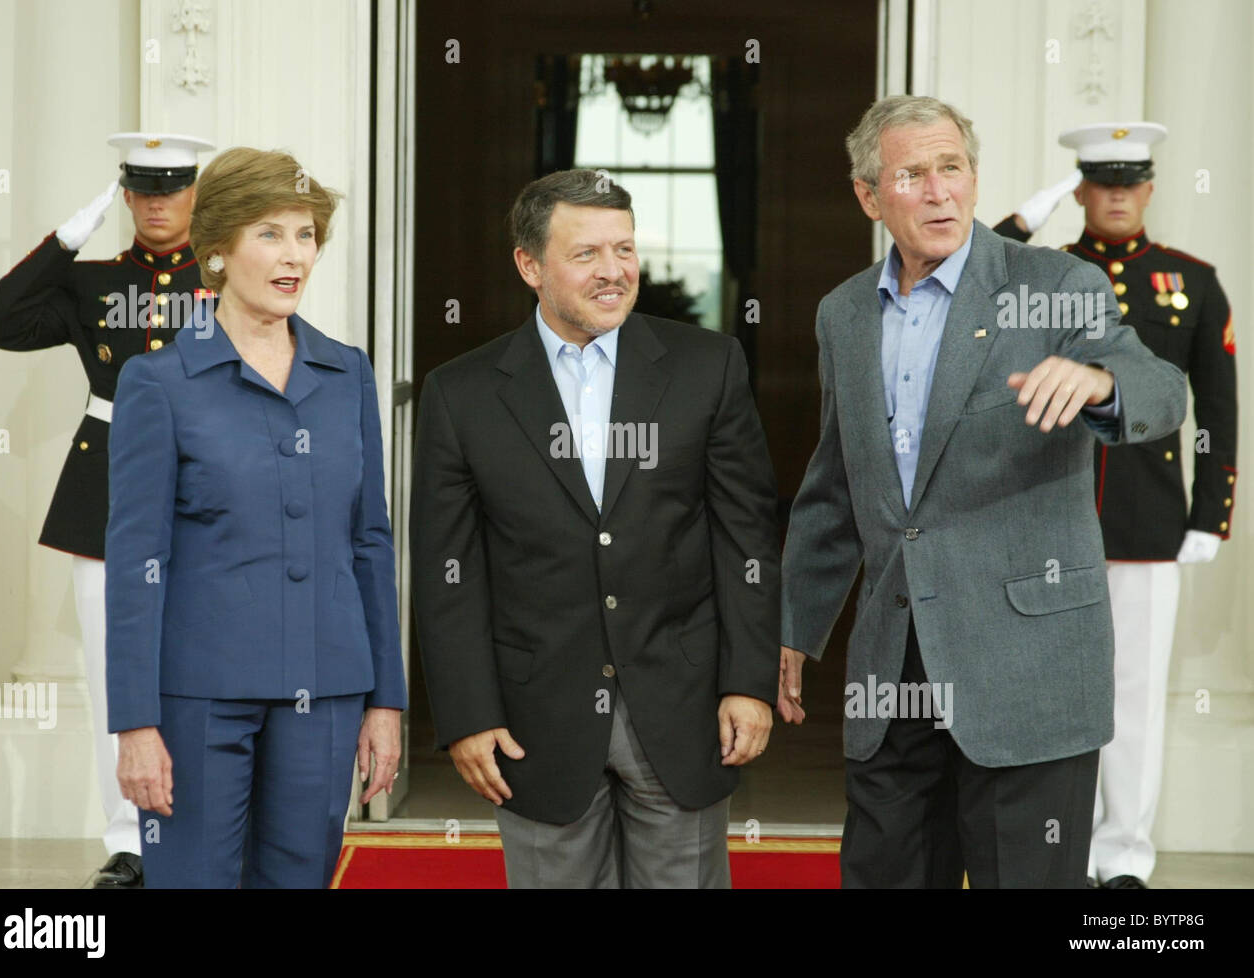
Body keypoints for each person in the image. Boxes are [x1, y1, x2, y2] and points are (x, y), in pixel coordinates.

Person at [777, 95, 1188, 888]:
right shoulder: (842, 314)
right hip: (893, 673)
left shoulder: (1056, 285)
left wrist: (1100, 381)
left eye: (952, 169)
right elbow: (834, 485)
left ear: (973, 178)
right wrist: (797, 622)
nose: (938, 192)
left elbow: (1162, 388)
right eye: (912, 174)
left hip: (1028, 674)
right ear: (869, 196)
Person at [411, 168, 779, 888]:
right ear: (529, 266)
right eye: (587, 254)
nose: (614, 271)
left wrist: (749, 681)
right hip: (533, 718)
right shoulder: (461, 393)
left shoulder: (710, 366)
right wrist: (466, 713)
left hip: (682, 706)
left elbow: (747, 538)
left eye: (625, 249)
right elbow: (446, 569)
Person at [104, 147, 406, 888]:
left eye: (306, 236)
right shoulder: (158, 382)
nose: (293, 255)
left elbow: (370, 542)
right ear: (217, 251)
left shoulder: (348, 373)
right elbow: (137, 562)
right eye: (270, 233)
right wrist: (136, 725)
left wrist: (387, 701)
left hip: (328, 691)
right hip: (197, 699)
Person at [997, 123, 1238, 888]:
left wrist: (1210, 515)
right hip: (1043, 512)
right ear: (1081, 189)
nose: (1118, 194)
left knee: (1133, 695)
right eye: (1102, 182)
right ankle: (1055, 849)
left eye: (1131, 181)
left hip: (1144, 518)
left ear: (1151, 187)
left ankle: (1124, 855)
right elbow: (975, 287)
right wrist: (1017, 224)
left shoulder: (1190, 280)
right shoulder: (1043, 272)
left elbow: (1219, 409)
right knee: (1046, 694)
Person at [0, 131, 214, 889]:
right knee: (113, 666)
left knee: (210, 659)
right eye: (142, 188)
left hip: (206, 479)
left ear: (193, 194)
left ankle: (211, 825)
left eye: (172, 187)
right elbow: (3, 323)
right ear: (125, 194)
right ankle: (131, 842)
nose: (156, 202)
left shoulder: (221, 276)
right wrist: (65, 239)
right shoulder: (92, 282)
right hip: (108, 484)